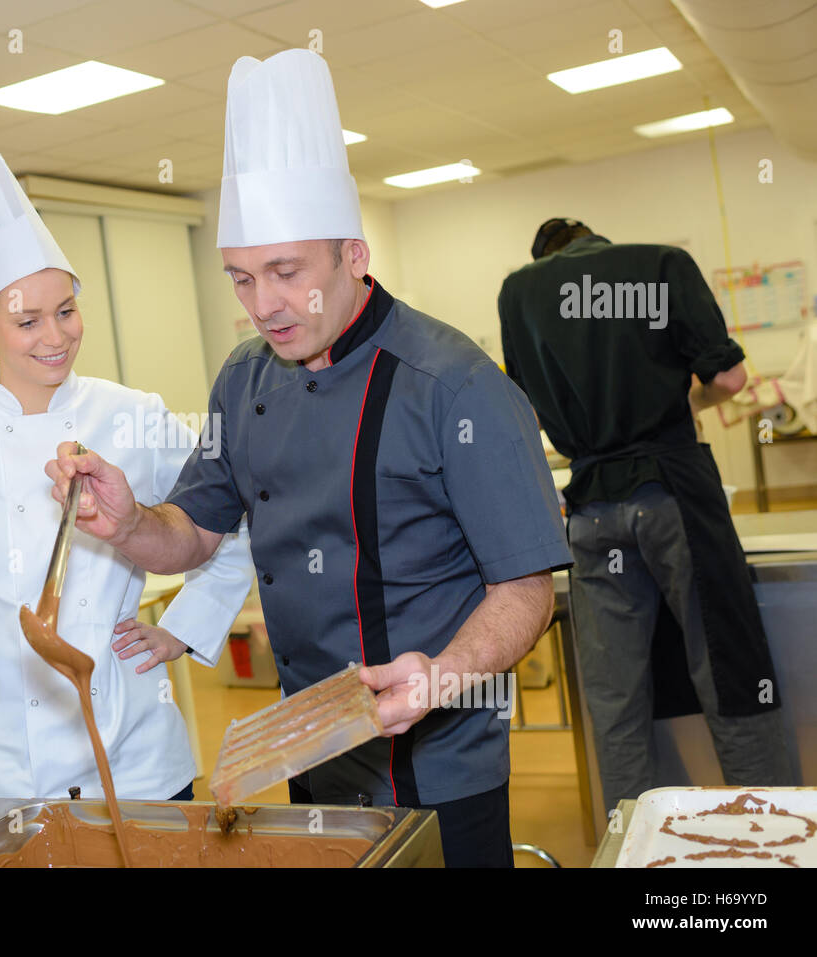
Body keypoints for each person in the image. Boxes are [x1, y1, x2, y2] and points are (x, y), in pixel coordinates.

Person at [44, 50, 572, 867]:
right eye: (242, 278)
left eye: (286, 273)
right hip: (311, 755)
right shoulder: (243, 379)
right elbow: (195, 532)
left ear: (353, 255)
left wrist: (441, 674)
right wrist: (127, 522)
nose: (263, 306)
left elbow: (526, 586)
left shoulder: (455, 385)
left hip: (437, 758)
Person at [0, 153, 253, 802]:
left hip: (138, 763)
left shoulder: (133, 415)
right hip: (3, 772)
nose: (56, 336)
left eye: (66, 310)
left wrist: (184, 626)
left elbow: (231, 523)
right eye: (27, 320)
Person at [497, 218, 794, 814]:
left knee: (613, 696)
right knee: (728, 667)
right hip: (672, 494)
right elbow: (729, 377)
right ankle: (769, 833)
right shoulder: (660, 263)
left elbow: (523, 410)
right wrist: (687, 402)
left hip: (590, 511)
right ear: (594, 240)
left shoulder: (518, 293)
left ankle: (633, 839)